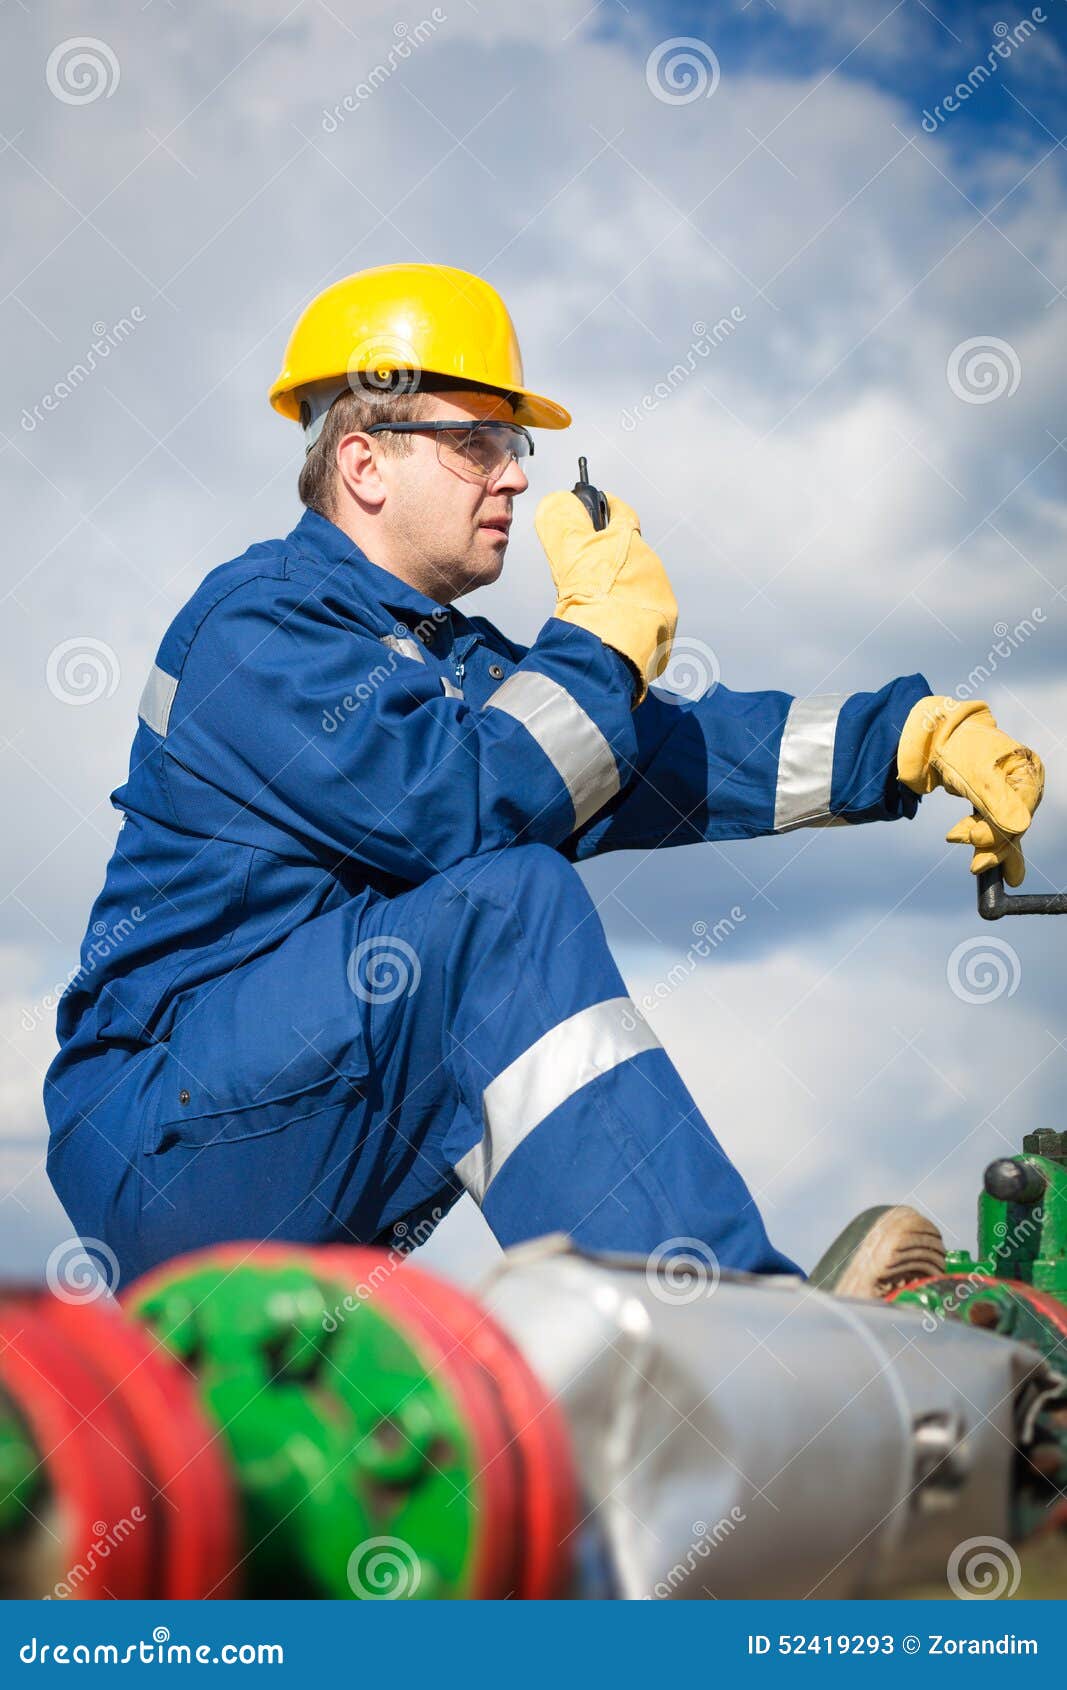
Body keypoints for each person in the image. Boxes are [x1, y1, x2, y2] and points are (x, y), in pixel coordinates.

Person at [44, 263, 1045, 1295]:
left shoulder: (443, 657)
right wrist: (598, 641)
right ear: (363, 461)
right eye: (474, 439)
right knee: (506, 906)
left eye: (512, 444)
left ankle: (676, 1339)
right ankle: (717, 1317)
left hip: (265, 1116)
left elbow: (659, 757)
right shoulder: (260, 626)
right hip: (159, 1134)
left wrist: (908, 739)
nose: (514, 475)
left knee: (506, 890)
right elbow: (458, 808)